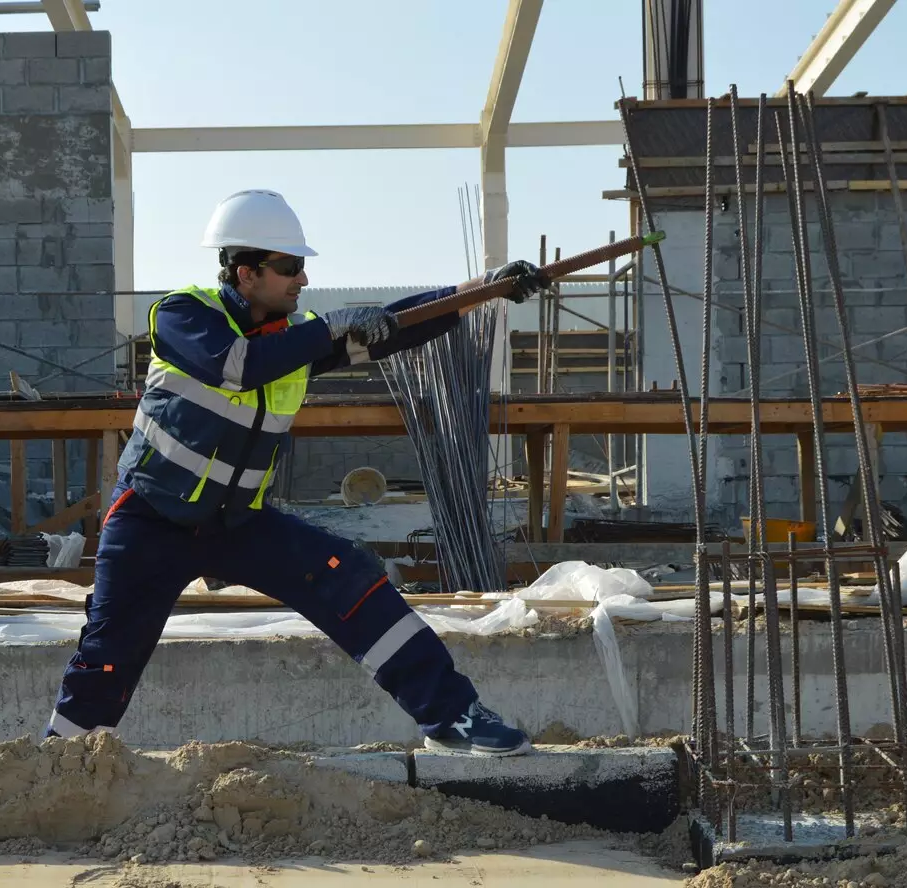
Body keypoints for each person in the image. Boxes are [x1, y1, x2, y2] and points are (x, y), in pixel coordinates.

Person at [46, 189, 548, 756]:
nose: (302, 280)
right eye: (289, 268)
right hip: (148, 522)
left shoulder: (295, 338)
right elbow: (237, 367)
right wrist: (329, 328)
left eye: (302, 268)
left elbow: (399, 326)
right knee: (110, 655)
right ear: (246, 272)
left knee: (351, 577)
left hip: (237, 523)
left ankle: (454, 718)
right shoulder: (183, 315)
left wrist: (483, 290)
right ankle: (60, 764)